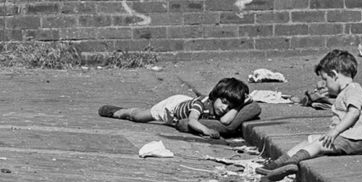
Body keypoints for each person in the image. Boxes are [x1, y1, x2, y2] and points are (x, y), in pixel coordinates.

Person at [258, 49, 362, 182]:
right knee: (311, 139)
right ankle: (279, 163)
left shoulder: (354, 89)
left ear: (334, 75)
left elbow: (354, 113)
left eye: (325, 79)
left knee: (319, 143)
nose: (325, 84)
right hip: (347, 138)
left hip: (356, 140)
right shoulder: (346, 92)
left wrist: (335, 131)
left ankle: (292, 162)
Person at [98, 77, 256, 139]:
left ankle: (125, 112)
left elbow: (226, 121)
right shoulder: (200, 103)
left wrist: (241, 105)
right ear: (216, 95)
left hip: (181, 111)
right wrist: (206, 131)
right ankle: (120, 111)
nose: (224, 108)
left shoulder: (224, 110)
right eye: (223, 101)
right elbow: (192, 121)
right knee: (138, 117)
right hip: (171, 108)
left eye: (230, 106)